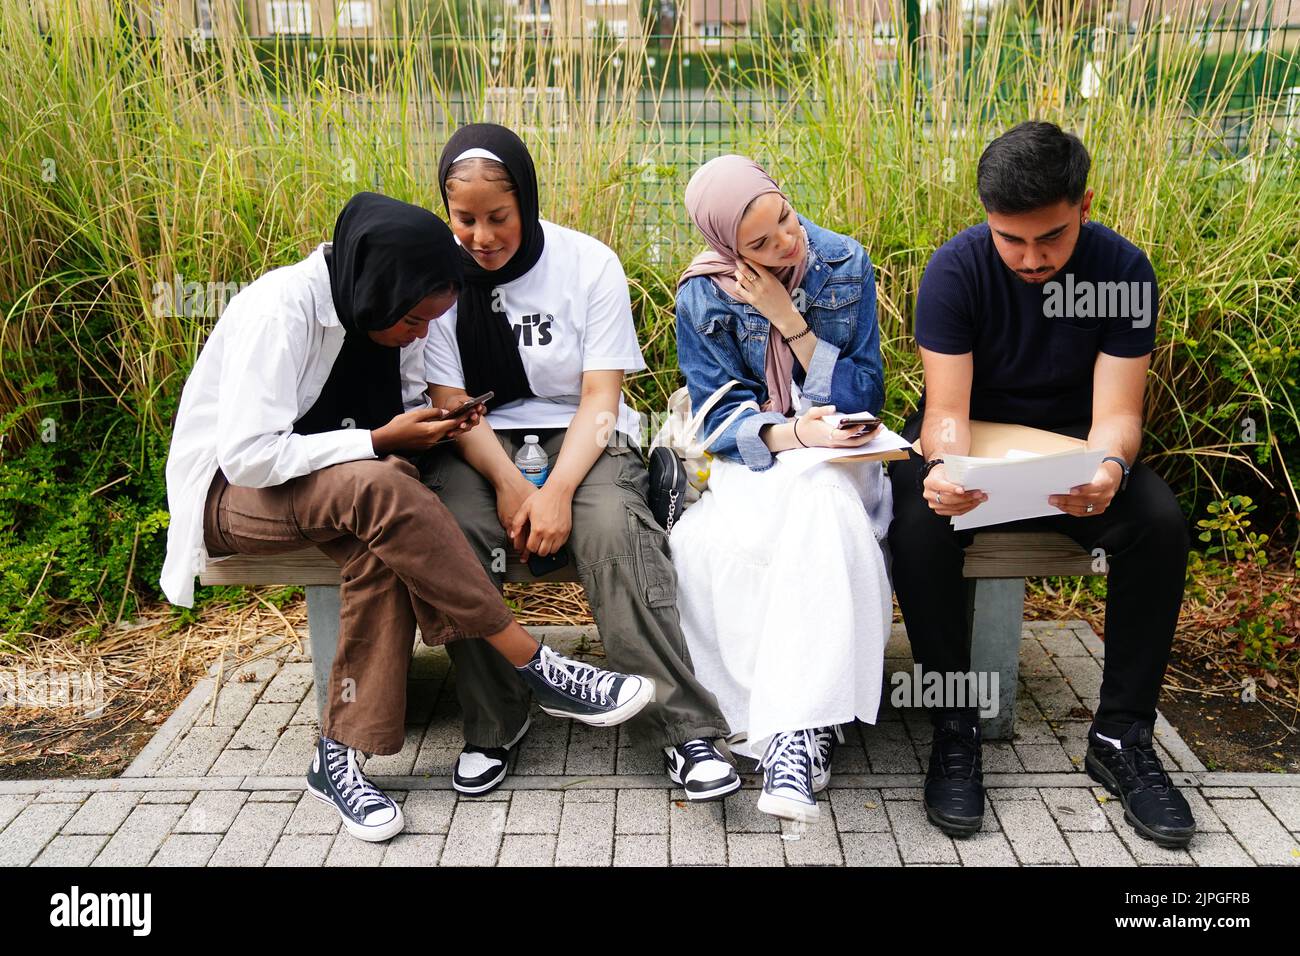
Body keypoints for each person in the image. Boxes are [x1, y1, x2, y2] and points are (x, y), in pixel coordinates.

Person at [160, 192, 656, 843]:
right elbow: (249, 457)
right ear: (379, 294)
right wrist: (375, 441)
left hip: (350, 492)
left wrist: (430, 427)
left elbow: (393, 417)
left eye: (433, 320)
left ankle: (335, 759)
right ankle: (536, 663)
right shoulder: (281, 309)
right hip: (235, 496)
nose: (422, 334)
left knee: (386, 527)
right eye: (415, 321)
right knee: (383, 485)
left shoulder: (391, 316)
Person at [888, 121, 1196, 848]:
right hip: (973, 452)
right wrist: (946, 473)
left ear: (1084, 204)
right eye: (1011, 240)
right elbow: (946, 415)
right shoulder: (956, 270)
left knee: (1158, 523)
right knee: (918, 522)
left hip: (1071, 461)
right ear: (987, 218)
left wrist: (1109, 469)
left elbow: (1119, 415)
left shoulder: (1122, 272)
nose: (1030, 260)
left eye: (1049, 239)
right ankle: (954, 729)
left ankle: (1121, 738)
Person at [419, 123, 740, 801]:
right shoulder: (434, 273)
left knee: (617, 531)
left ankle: (683, 730)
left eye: (498, 218)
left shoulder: (587, 263)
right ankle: (495, 721)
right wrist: (509, 485)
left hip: (584, 435)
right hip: (473, 439)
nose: (481, 237)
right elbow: (450, 403)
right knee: (454, 534)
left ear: (527, 203)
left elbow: (600, 397)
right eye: (465, 220)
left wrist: (558, 489)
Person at [671, 154, 893, 823]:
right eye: (760, 244)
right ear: (725, 246)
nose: (785, 244)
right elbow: (719, 420)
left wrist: (789, 321)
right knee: (778, 514)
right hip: (762, 462)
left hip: (845, 460)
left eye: (785, 221)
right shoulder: (702, 293)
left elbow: (866, 394)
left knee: (824, 494)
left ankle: (787, 736)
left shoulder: (843, 263)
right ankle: (804, 730)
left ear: (787, 199)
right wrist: (799, 437)